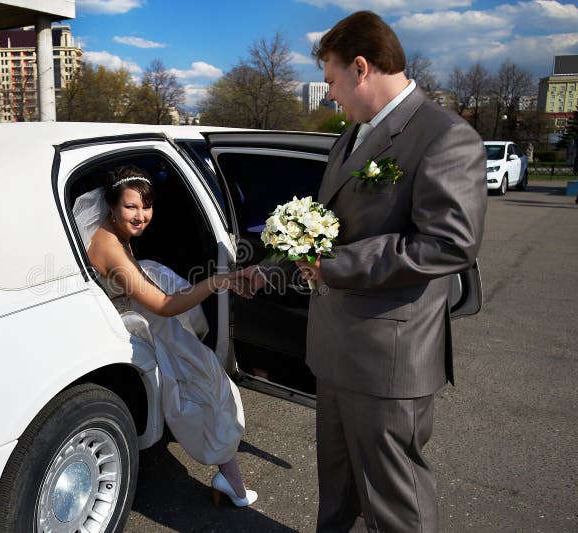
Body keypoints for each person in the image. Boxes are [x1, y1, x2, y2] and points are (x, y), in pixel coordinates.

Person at [242, 11, 486, 531]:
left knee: (395, 504)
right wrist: (273, 269)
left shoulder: (444, 135)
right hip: (334, 354)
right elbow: (328, 228)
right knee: (338, 491)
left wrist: (334, 266)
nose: (330, 95)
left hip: (388, 362)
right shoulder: (349, 138)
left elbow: (449, 244)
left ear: (360, 68)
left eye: (330, 81)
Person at [76, 164, 258, 507]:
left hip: (135, 310)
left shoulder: (111, 233)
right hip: (136, 321)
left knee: (202, 375)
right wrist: (217, 281)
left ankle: (230, 478)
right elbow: (162, 305)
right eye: (130, 207)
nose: (141, 215)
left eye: (146, 207)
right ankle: (230, 478)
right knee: (204, 379)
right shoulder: (111, 248)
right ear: (111, 206)